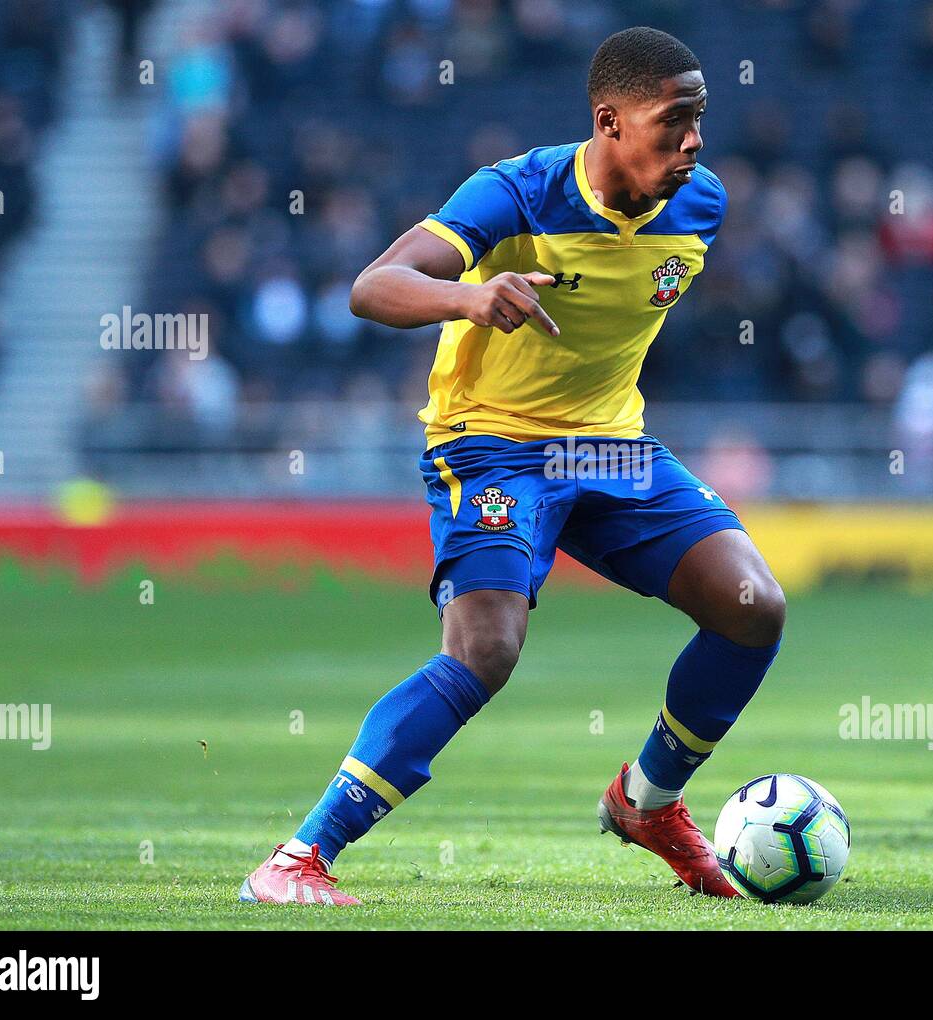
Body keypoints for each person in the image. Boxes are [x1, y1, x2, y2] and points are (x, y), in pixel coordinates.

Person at [241, 26, 785, 906]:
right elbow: (370, 288)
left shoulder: (702, 204)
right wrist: (470, 294)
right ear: (608, 120)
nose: (693, 141)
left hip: (609, 445)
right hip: (490, 441)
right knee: (486, 649)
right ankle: (297, 858)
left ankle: (647, 801)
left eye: (701, 121)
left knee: (754, 607)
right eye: (673, 121)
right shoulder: (515, 192)